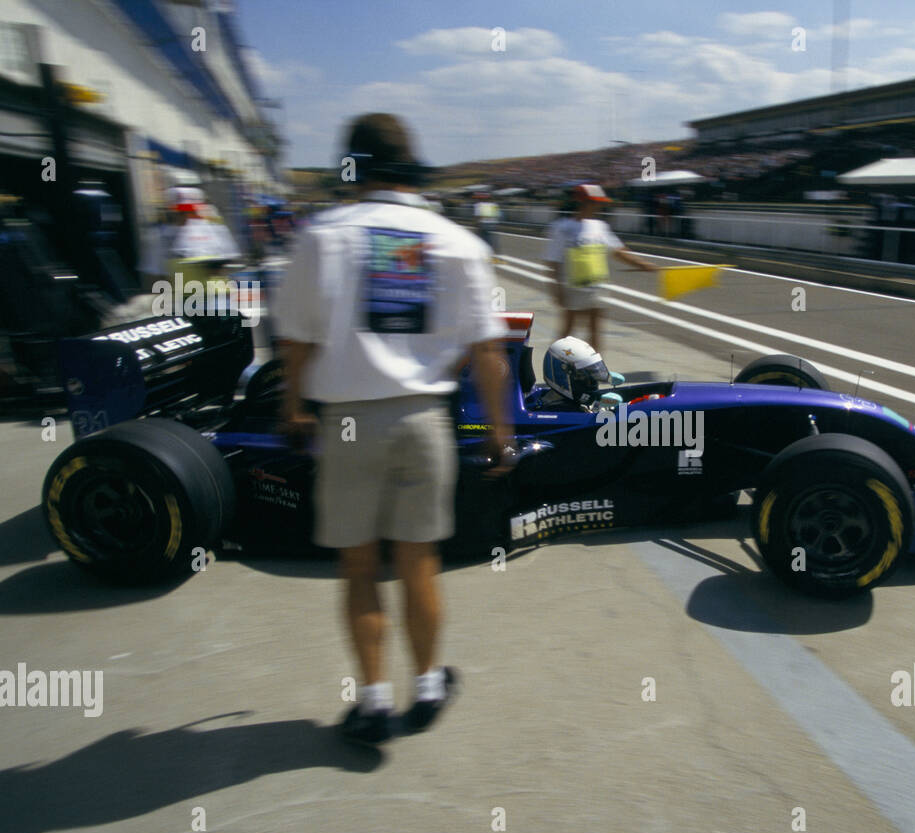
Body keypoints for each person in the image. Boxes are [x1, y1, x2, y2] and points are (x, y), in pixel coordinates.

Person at [275, 113, 515, 744]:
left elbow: (294, 340)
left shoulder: (322, 237)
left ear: (351, 166)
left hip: (350, 422)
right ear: (413, 167)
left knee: (358, 567)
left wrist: (292, 407)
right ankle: (430, 683)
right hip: (424, 420)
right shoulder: (456, 241)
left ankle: (375, 700)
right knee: (419, 561)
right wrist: (499, 430)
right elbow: (489, 351)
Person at [543, 183, 657, 356]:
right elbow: (553, 261)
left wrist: (643, 265)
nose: (600, 206)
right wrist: (556, 290)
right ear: (586, 202)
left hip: (597, 288)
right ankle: (554, 366)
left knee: (595, 330)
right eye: (597, 202)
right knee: (566, 334)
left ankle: (594, 370)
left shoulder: (600, 226)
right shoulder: (562, 228)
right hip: (573, 288)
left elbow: (619, 252)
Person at [472, 192, 501, 258]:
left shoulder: (479, 205)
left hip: (483, 223)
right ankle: (494, 251)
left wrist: (476, 224)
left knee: (482, 238)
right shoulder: (494, 205)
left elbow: (477, 216)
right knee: (492, 238)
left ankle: (484, 252)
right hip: (493, 223)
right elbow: (497, 215)